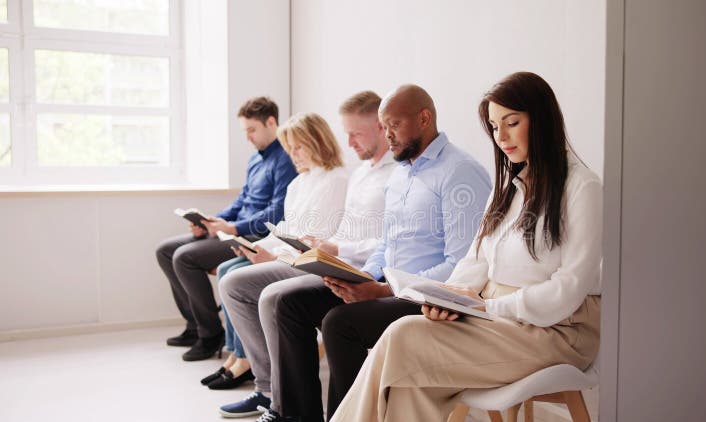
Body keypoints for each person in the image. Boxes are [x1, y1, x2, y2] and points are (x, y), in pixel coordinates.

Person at [330, 71, 603, 422]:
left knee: (403, 339)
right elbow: (475, 261)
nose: (500, 136)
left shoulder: (583, 188)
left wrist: (489, 307)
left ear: (543, 119)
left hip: (557, 332)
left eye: (512, 122)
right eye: (493, 126)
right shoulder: (509, 186)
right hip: (499, 319)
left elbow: (569, 289)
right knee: (409, 377)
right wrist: (445, 298)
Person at [255, 84, 492, 422]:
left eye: (393, 125)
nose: (387, 135)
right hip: (385, 285)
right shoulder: (400, 174)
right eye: (384, 126)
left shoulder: (460, 172)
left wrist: (383, 290)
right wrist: (365, 275)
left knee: (340, 323)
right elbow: (386, 243)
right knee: (289, 304)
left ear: (424, 118)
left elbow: (461, 265)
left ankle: (349, 417)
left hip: (428, 300)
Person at [216, 91, 397, 417]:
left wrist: (318, 250)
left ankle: (274, 393)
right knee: (239, 280)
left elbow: (377, 241)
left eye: (356, 133)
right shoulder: (355, 175)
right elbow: (301, 229)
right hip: (333, 259)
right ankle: (275, 394)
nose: (350, 142)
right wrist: (267, 249)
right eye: (348, 134)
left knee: (257, 291)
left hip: (351, 265)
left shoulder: (360, 177)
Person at [203, 111, 350, 390]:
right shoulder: (300, 181)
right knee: (227, 270)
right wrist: (258, 246)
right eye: (289, 148)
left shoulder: (335, 180)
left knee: (232, 279)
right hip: (291, 256)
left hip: (310, 263)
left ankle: (261, 373)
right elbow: (285, 229)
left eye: (298, 147)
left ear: (318, 141)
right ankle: (243, 357)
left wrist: (274, 256)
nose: (293, 155)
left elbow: (313, 241)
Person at [155, 97, 297, 361]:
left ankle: (210, 335)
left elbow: (278, 212)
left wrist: (232, 227)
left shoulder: (286, 158)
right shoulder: (256, 159)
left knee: (184, 257)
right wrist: (210, 221)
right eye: (245, 131)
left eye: (252, 130)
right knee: (165, 250)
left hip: (255, 235)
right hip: (233, 229)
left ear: (271, 122)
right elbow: (242, 200)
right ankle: (195, 326)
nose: (248, 137)